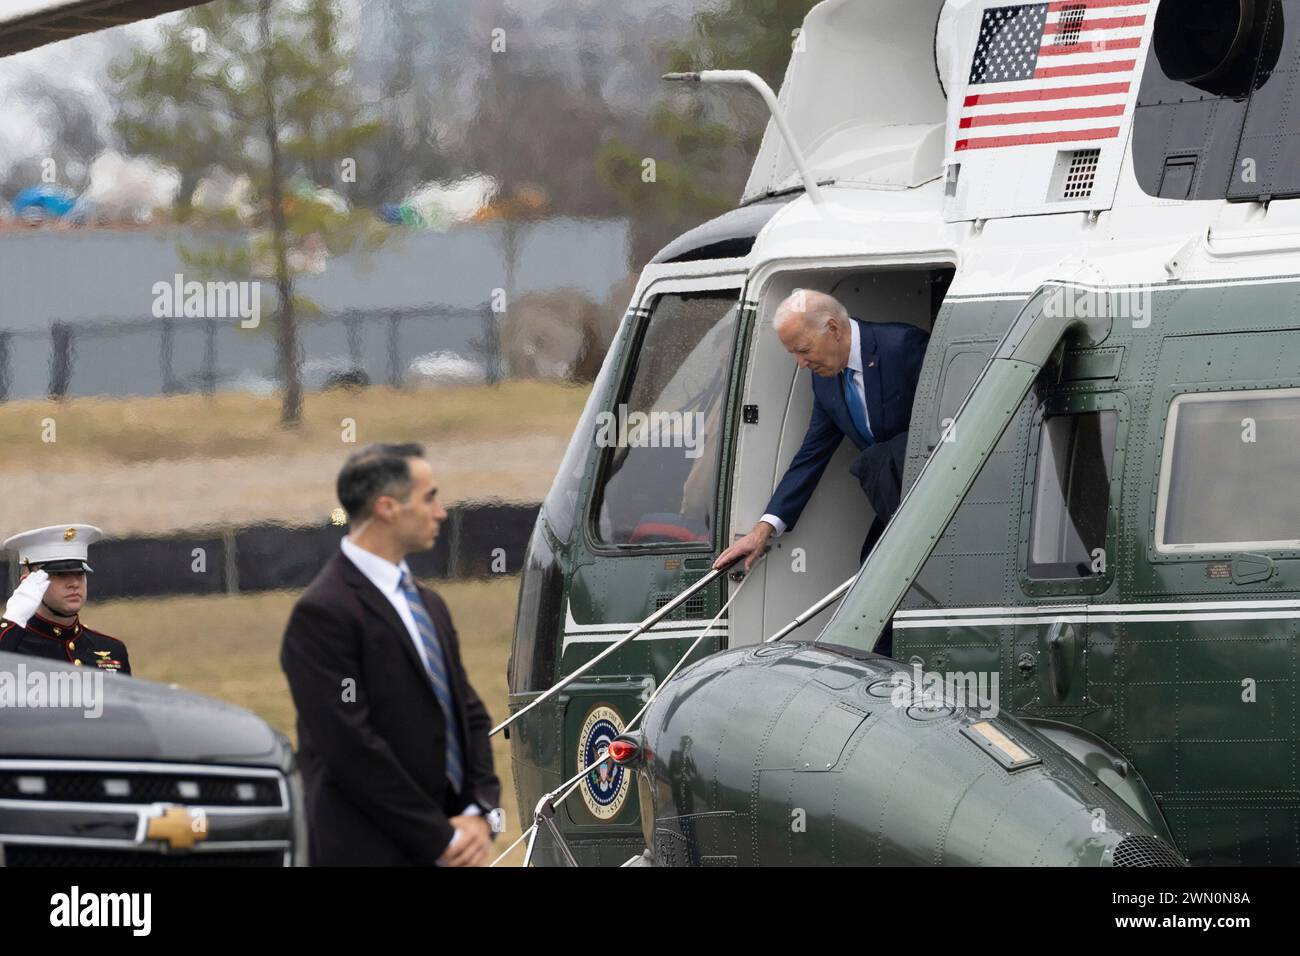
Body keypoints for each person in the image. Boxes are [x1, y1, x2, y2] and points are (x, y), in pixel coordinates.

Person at [280, 443, 504, 866]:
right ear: (387, 508)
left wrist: (479, 813)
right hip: (368, 850)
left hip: (449, 844)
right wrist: (439, 836)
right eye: (429, 497)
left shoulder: (429, 604)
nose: (440, 512)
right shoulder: (323, 613)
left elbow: (467, 714)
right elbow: (348, 747)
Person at [715, 290, 929, 628]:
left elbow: (952, 421)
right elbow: (812, 454)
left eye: (803, 350)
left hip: (934, 497)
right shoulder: (825, 382)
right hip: (893, 504)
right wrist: (763, 529)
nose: (801, 364)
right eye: (793, 355)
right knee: (872, 586)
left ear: (833, 329)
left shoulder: (903, 346)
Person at [0, 524, 130, 674]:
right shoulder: (12, 647)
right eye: (60, 574)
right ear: (28, 582)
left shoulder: (112, 649)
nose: (74, 584)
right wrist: (12, 621)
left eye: (79, 573)